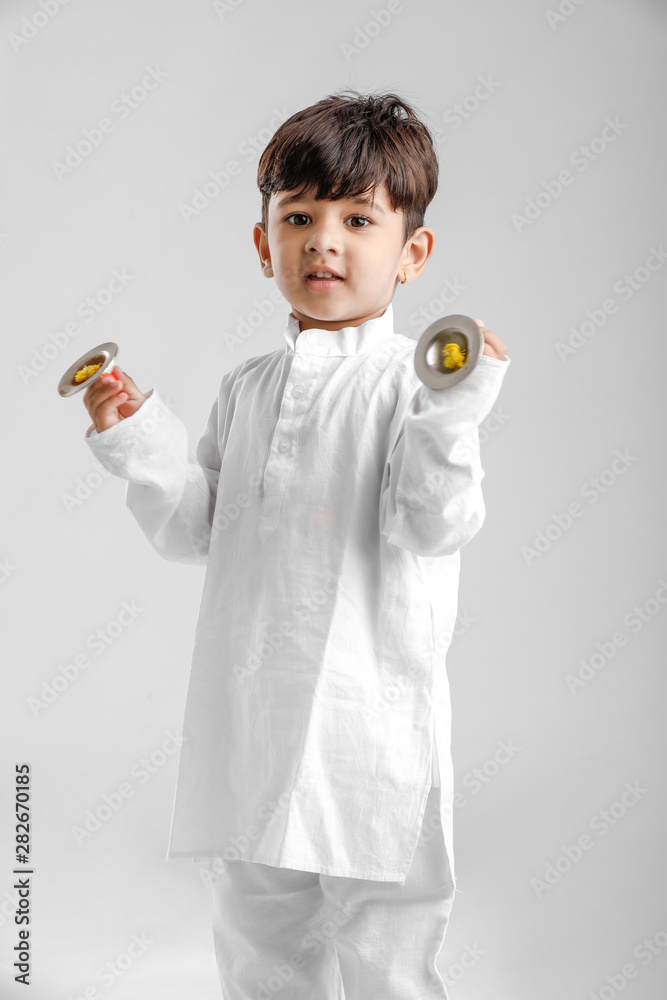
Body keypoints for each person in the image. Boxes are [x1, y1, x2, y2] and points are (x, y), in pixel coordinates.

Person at [82, 89, 511, 1000]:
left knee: (384, 930)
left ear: (411, 254)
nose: (324, 239)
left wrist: (453, 408)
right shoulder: (248, 387)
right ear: (263, 241)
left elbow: (436, 523)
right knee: (260, 925)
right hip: (256, 712)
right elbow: (199, 528)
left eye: (359, 217)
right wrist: (141, 434)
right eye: (299, 215)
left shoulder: (409, 387)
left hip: (373, 712)